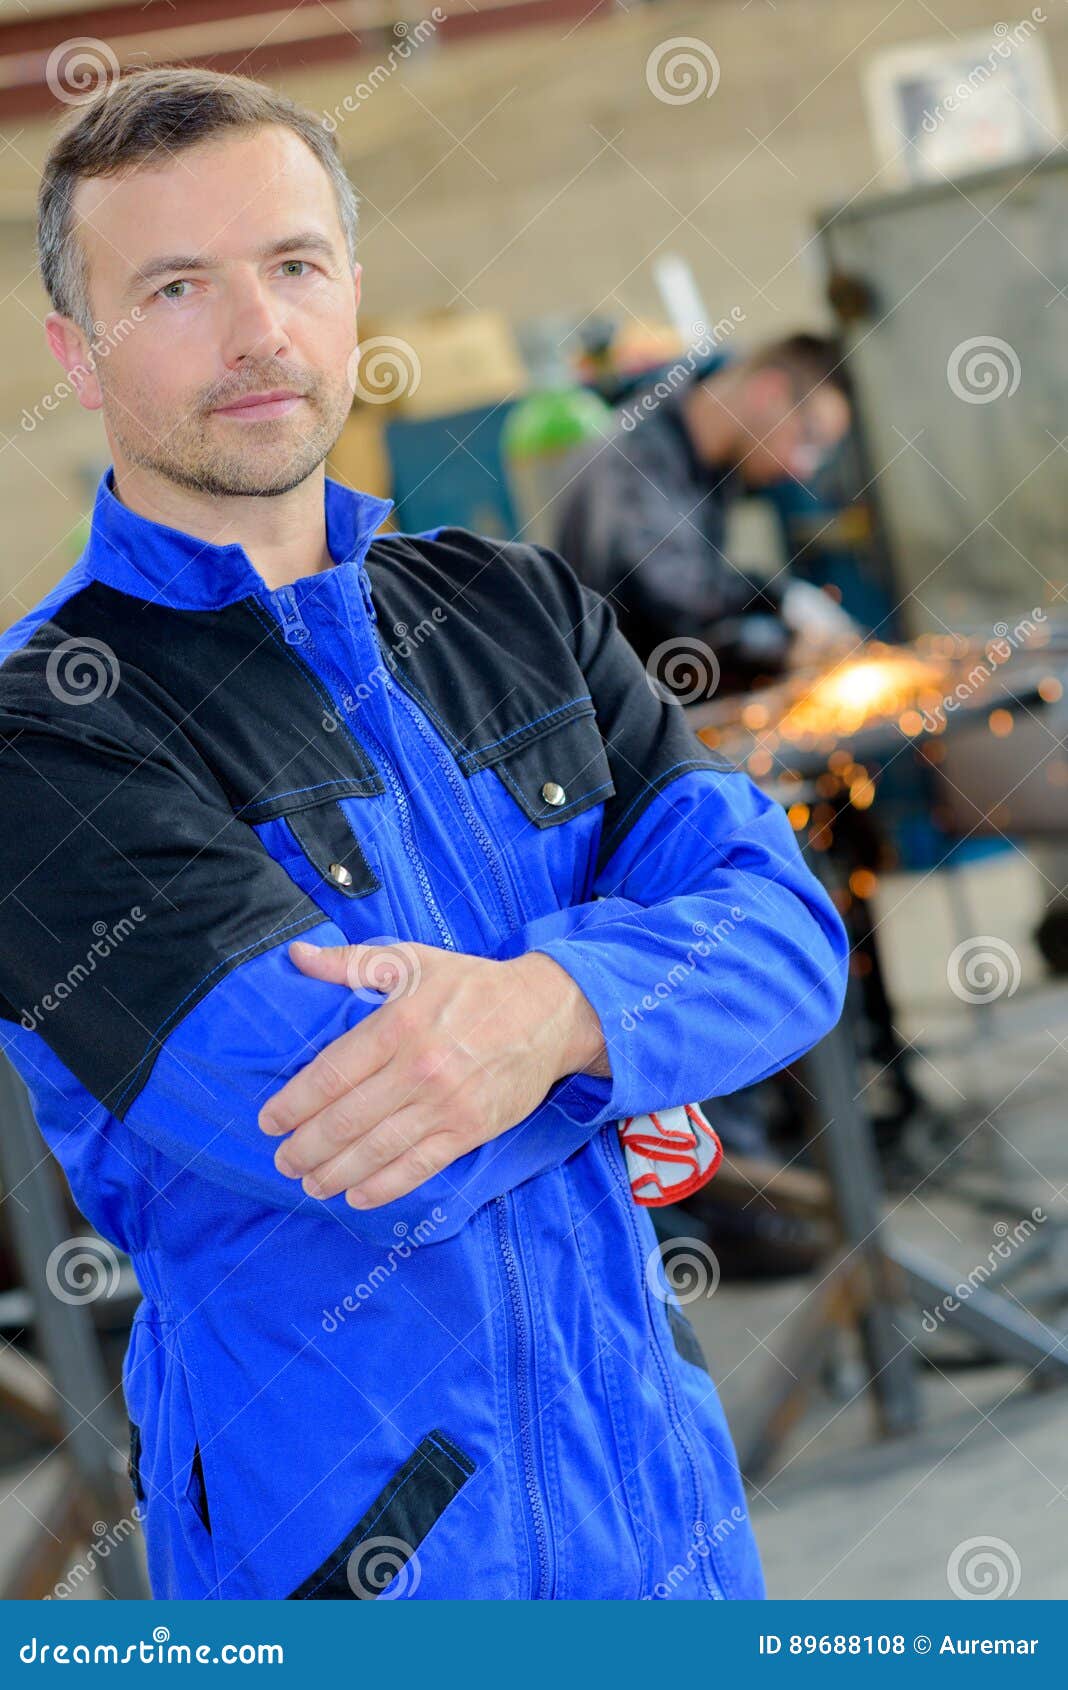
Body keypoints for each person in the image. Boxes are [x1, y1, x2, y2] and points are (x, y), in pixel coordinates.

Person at [0, 66, 849, 1601]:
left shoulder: (512, 607)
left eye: (294, 266)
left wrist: (552, 1012)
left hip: (660, 1503)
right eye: (176, 286)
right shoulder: (51, 730)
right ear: (78, 348)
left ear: (351, 293)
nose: (258, 332)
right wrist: (643, 1048)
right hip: (358, 1549)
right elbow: (336, 1123)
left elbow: (790, 934)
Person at [552, 334, 858, 697]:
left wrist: (784, 608)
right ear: (769, 390)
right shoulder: (637, 460)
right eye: (808, 438)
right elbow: (672, 607)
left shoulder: (713, 466)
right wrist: (779, 617)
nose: (803, 468)